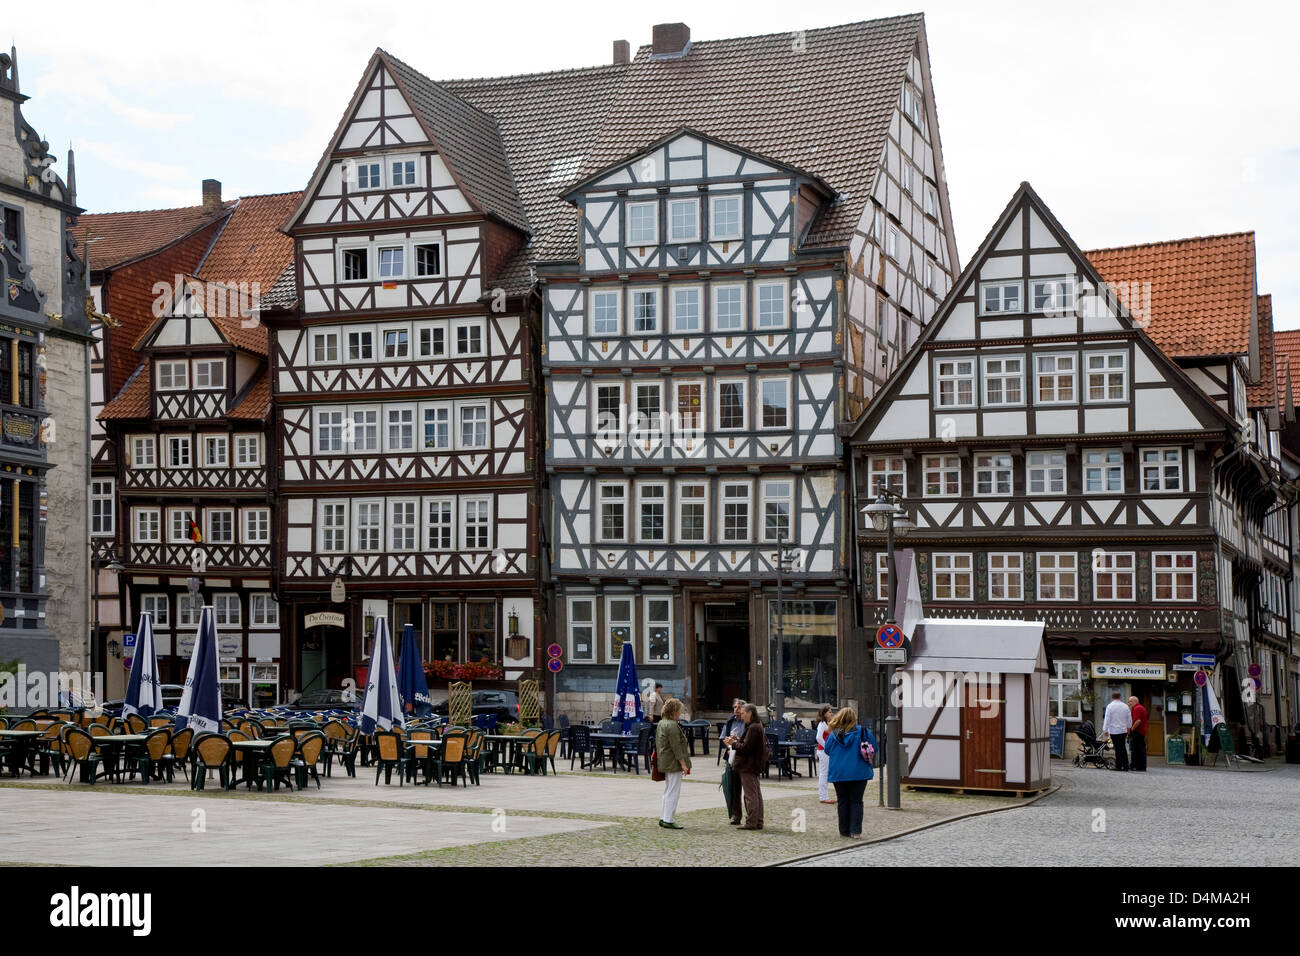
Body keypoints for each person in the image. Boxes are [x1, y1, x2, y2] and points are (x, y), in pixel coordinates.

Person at [823, 707, 876, 838]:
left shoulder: (833, 735)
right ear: (854, 718)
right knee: (856, 801)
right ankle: (855, 831)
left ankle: (844, 831)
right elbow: (874, 748)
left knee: (842, 801)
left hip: (839, 773)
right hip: (859, 773)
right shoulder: (864, 732)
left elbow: (827, 750)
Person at [725, 703, 765, 830]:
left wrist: (734, 744)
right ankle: (758, 821)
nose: (741, 716)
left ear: (750, 713)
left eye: (743, 713)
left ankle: (752, 822)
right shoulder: (755, 726)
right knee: (756, 794)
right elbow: (748, 744)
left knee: (750, 795)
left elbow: (746, 748)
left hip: (748, 765)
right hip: (752, 764)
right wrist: (738, 740)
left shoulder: (753, 727)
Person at [655, 698, 691, 829]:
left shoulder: (662, 723)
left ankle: (664, 817)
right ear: (674, 711)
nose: (680, 713)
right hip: (672, 761)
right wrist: (683, 764)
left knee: (668, 790)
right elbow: (676, 747)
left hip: (665, 759)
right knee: (673, 791)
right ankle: (668, 819)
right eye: (679, 710)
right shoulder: (672, 725)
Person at [720, 699, 746, 824]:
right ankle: (736, 816)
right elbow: (723, 738)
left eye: (738, 707)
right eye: (734, 707)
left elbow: (748, 741)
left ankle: (751, 816)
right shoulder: (730, 721)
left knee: (747, 788)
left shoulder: (747, 722)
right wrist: (730, 746)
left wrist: (737, 742)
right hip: (731, 758)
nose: (736, 709)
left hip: (744, 758)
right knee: (734, 788)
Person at [1101, 691, 1132, 772]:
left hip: (1114, 731)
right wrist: (1129, 727)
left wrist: (1105, 730)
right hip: (1123, 730)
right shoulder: (1125, 706)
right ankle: (1125, 766)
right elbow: (1129, 719)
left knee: (1117, 749)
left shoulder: (1110, 706)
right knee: (1123, 748)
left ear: (1112, 697)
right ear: (1120, 697)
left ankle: (1119, 766)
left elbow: (1107, 719)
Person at [814, 704, 835, 804]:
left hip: (826, 751)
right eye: (830, 712)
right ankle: (823, 796)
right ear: (825, 714)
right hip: (823, 751)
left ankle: (824, 795)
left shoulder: (828, 723)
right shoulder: (822, 724)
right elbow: (818, 737)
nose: (832, 713)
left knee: (825, 773)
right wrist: (827, 746)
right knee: (824, 774)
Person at [1127, 695, 1148, 772]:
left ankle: (1134, 765)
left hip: (1138, 731)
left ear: (1136, 701)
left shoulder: (1137, 708)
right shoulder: (1139, 707)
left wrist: (1132, 729)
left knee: (1135, 749)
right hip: (1141, 731)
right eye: (1128, 701)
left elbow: (1138, 721)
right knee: (1140, 749)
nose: (1129, 703)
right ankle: (1141, 766)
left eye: (1131, 701)